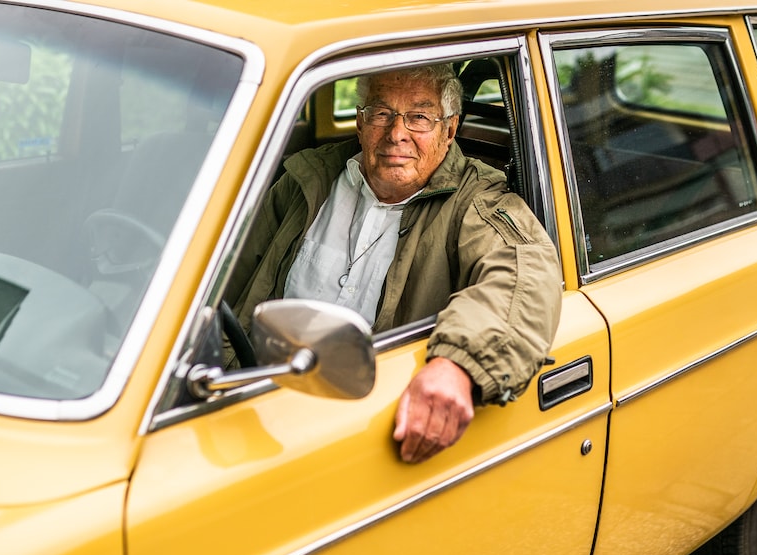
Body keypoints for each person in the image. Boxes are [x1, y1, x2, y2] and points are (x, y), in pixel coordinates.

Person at [225, 63, 561, 463]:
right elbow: (226, 281)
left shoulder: (478, 202)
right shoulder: (306, 182)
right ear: (360, 122)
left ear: (449, 130)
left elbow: (524, 276)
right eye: (381, 113)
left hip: (368, 431)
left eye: (419, 117)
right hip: (249, 402)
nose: (396, 133)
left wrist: (459, 365)